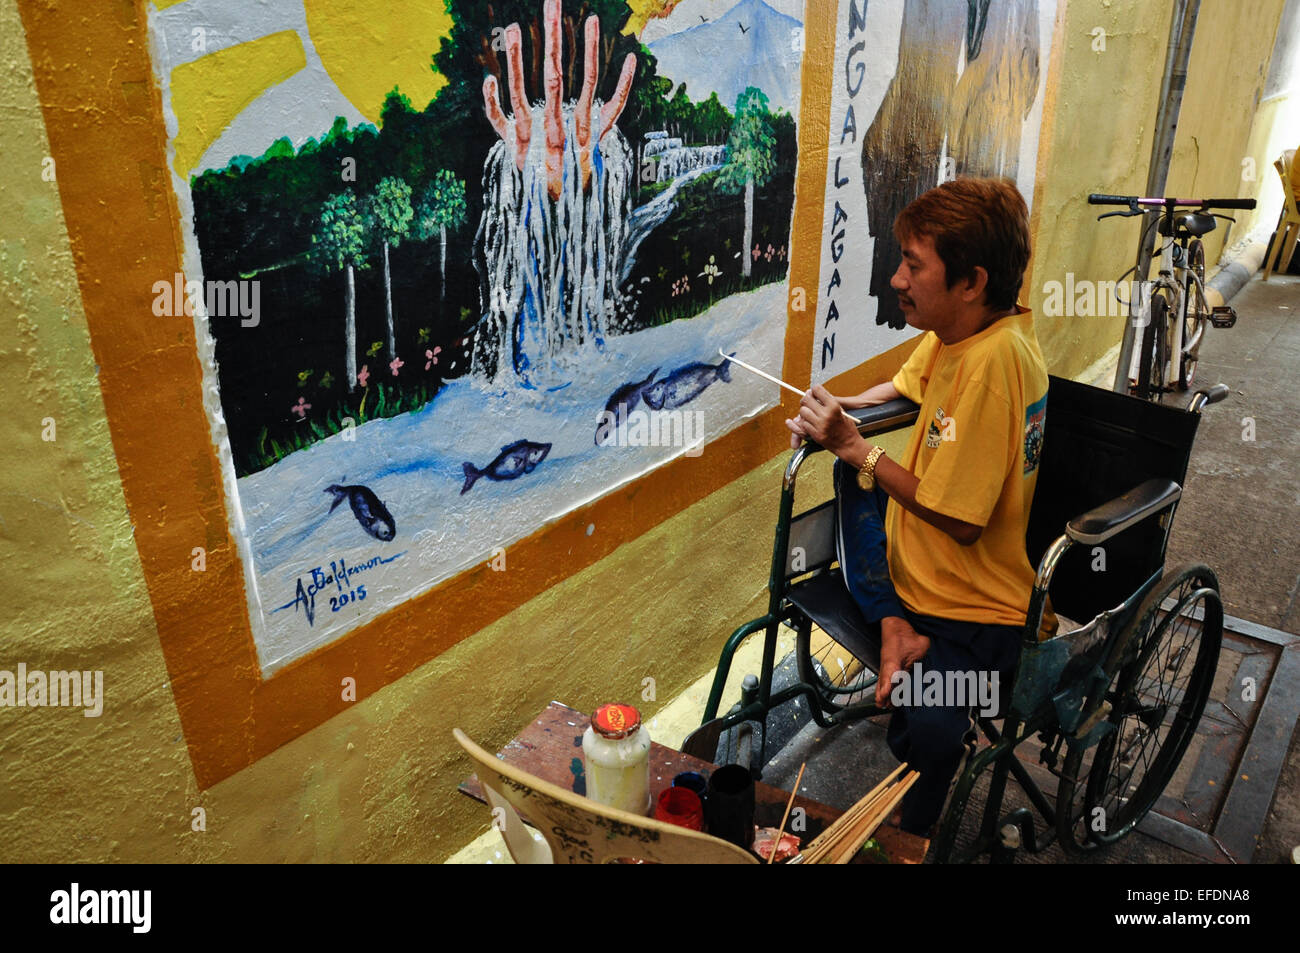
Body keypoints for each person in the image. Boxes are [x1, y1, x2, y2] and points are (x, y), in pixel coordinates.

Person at [785, 177, 1049, 836]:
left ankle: (914, 829)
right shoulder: (961, 330)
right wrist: (841, 412)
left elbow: (961, 521)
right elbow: (904, 388)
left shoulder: (994, 366)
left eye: (912, 264)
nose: (897, 279)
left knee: (930, 729)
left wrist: (858, 447)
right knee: (852, 475)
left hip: (972, 610)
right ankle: (894, 624)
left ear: (970, 281)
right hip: (916, 572)